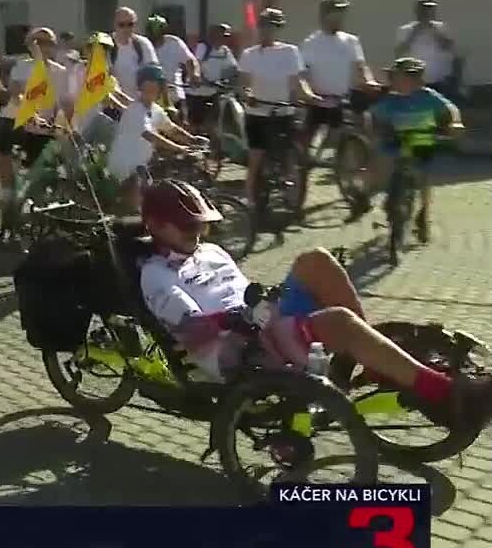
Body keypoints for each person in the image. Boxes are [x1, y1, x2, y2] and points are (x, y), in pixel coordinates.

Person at [138, 179, 492, 427]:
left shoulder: (211, 251)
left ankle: (370, 362)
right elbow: (194, 334)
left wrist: (265, 304)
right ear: (155, 225)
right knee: (339, 322)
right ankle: (444, 395)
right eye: (185, 225)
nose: (196, 231)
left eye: (200, 223)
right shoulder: (156, 275)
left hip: (264, 322)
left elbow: (242, 289)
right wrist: (241, 316)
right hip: (236, 350)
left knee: (316, 259)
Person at [362, 57, 464, 241]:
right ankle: (373, 194)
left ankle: (423, 214)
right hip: (395, 142)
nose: (396, 83)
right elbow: (372, 114)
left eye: (400, 79)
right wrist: (370, 125)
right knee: (379, 161)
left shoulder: (428, 96)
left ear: (415, 80)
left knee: (424, 178)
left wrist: (455, 123)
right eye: (394, 79)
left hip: (421, 142)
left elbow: (451, 108)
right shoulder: (391, 100)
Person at [237, 8, 319, 206]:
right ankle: (250, 198)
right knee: (256, 156)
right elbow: (244, 83)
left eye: (271, 28)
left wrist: (309, 96)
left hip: (283, 110)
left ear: (277, 29)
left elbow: (297, 82)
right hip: (257, 111)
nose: (267, 32)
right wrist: (248, 95)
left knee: (288, 153)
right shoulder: (249, 54)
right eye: (263, 27)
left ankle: (293, 191)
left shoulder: (290, 52)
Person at [0, 28, 72, 207]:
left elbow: (63, 104)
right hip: (15, 119)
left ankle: (38, 206)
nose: (43, 47)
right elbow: (16, 93)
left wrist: (66, 125)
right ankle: (7, 197)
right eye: (38, 42)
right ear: (30, 45)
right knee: (4, 155)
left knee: (42, 171)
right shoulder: (22, 66)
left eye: (48, 43)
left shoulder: (61, 72)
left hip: (42, 125)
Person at [108, 65, 207, 210]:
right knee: (143, 206)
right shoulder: (136, 109)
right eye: (149, 85)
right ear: (141, 86)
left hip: (140, 165)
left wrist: (192, 139)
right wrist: (179, 148)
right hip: (126, 167)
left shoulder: (155, 109)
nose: (153, 89)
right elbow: (150, 135)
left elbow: (171, 129)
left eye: (156, 86)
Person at [300, 0, 378, 150]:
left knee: (351, 133)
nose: (341, 17)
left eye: (343, 12)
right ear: (325, 15)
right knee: (306, 143)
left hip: (341, 99)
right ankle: (300, 169)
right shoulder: (311, 43)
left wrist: (370, 81)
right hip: (318, 100)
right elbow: (303, 73)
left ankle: (342, 169)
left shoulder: (351, 41)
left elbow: (361, 66)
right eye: (337, 12)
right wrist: (307, 92)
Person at [397, 0, 456, 101]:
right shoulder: (406, 30)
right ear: (417, 11)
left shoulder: (441, 28)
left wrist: (435, 31)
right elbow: (399, 51)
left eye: (431, 9)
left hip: (438, 78)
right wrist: (414, 33)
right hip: (415, 79)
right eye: (424, 9)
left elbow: (449, 47)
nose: (427, 13)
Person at [186, 23, 239, 132]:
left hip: (213, 93)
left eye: (225, 37)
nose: (222, 40)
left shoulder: (225, 51)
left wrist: (228, 81)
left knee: (212, 123)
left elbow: (233, 68)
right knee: (194, 123)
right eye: (220, 36)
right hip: (196, 93)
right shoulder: (203, 47)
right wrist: (203, 80)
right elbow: (196, 65)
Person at [146, 14, 199, 122]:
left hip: (174, 93)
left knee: (181, 123)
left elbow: (190, 60)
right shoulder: (144, 46)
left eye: (158, 36)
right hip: (153, 97)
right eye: (152, 36)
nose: (155, 40)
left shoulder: (174, 42)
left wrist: (194, 75)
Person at [110, 7, 160, 99]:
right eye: (121, 24)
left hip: (139, 103)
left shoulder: (142, 43)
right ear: (115, 25)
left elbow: (153, 72)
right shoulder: (106, 45)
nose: (126, 28)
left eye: (130, 24)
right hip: (113, 104)